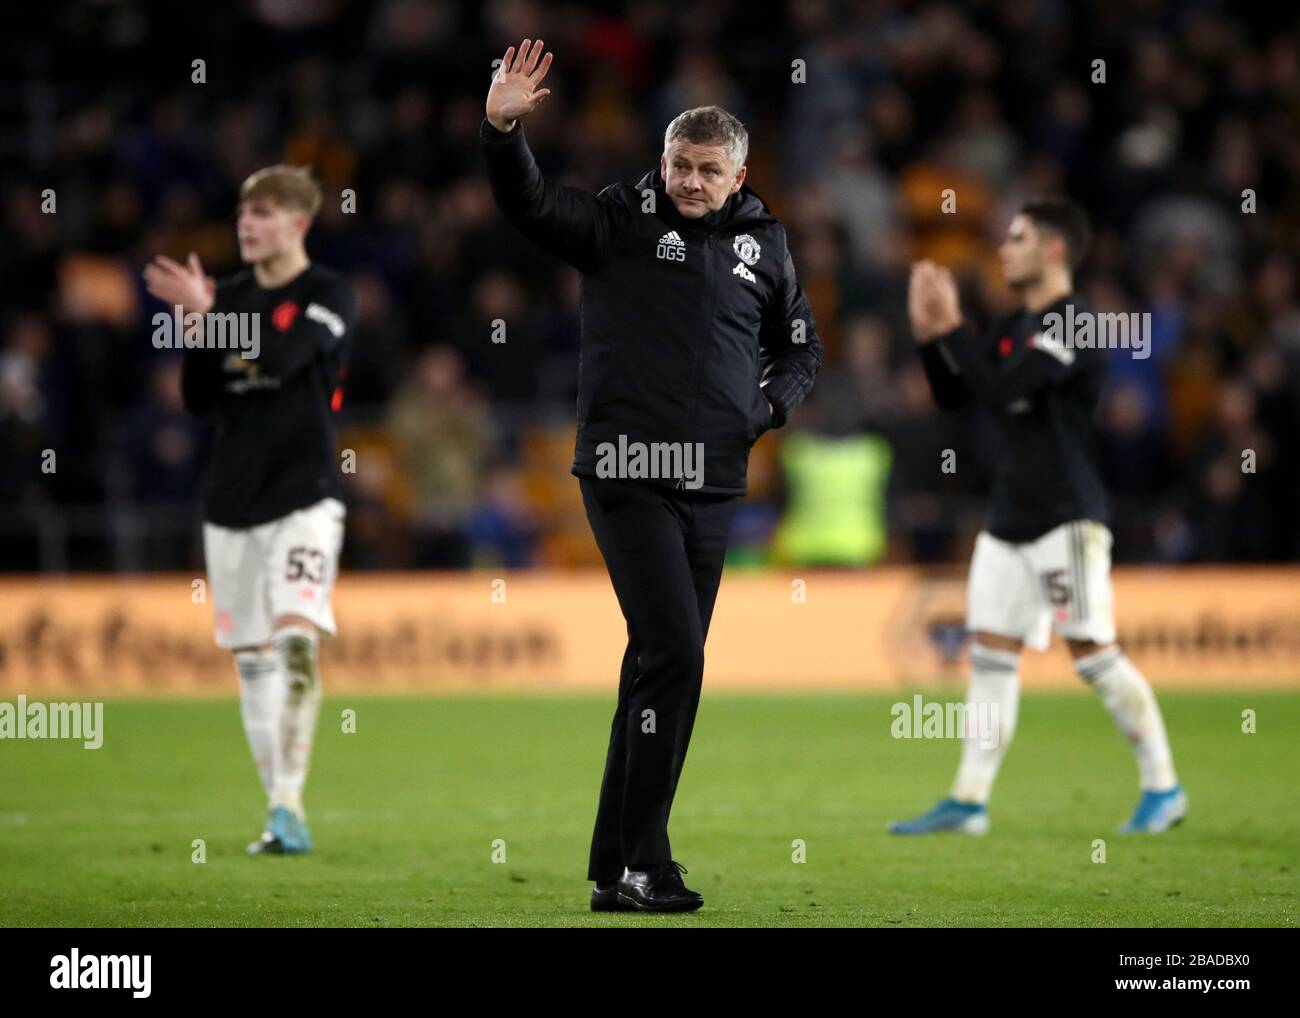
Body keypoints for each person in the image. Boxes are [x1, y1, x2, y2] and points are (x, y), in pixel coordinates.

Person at [481, 39, 821, 910]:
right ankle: (644, 862)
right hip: (626, 468)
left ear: (739, 177)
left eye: (709, 170)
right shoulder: (621, 219)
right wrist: (503, 133)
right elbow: (532, 209)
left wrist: (766, 410)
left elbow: (800, 349)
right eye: (679, 163)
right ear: (661, 158)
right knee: (675, 650)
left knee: (655, 665)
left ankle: (619, 867)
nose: (691, 181)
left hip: (713, 480)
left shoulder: (764, 243)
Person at [893, 197, 1184, 836]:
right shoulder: (1011, 325)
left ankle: (1164, 786)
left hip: (1066, 520)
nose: (1004, 249)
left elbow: (1004, 389)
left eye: (1018, 238)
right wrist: (930, 340)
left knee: (1091, 655)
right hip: (1009, 518)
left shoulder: (1077, 323)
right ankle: (969, 801)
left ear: (1054, 249)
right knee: (991, 655)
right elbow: (959, 394)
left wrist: (952, 331)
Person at [144, 165, 357, 854]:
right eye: (242, 213)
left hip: (305, 498)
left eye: (262, 213)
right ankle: (278, 810)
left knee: (295, 642)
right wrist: (199, 328)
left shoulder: (328, 295)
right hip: (231, 503)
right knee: (252, 660)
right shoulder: (227, 296)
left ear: (298, 223)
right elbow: (199, 398)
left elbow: (291, 354)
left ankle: (290, 802)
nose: (246, 224)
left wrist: (213, 320)